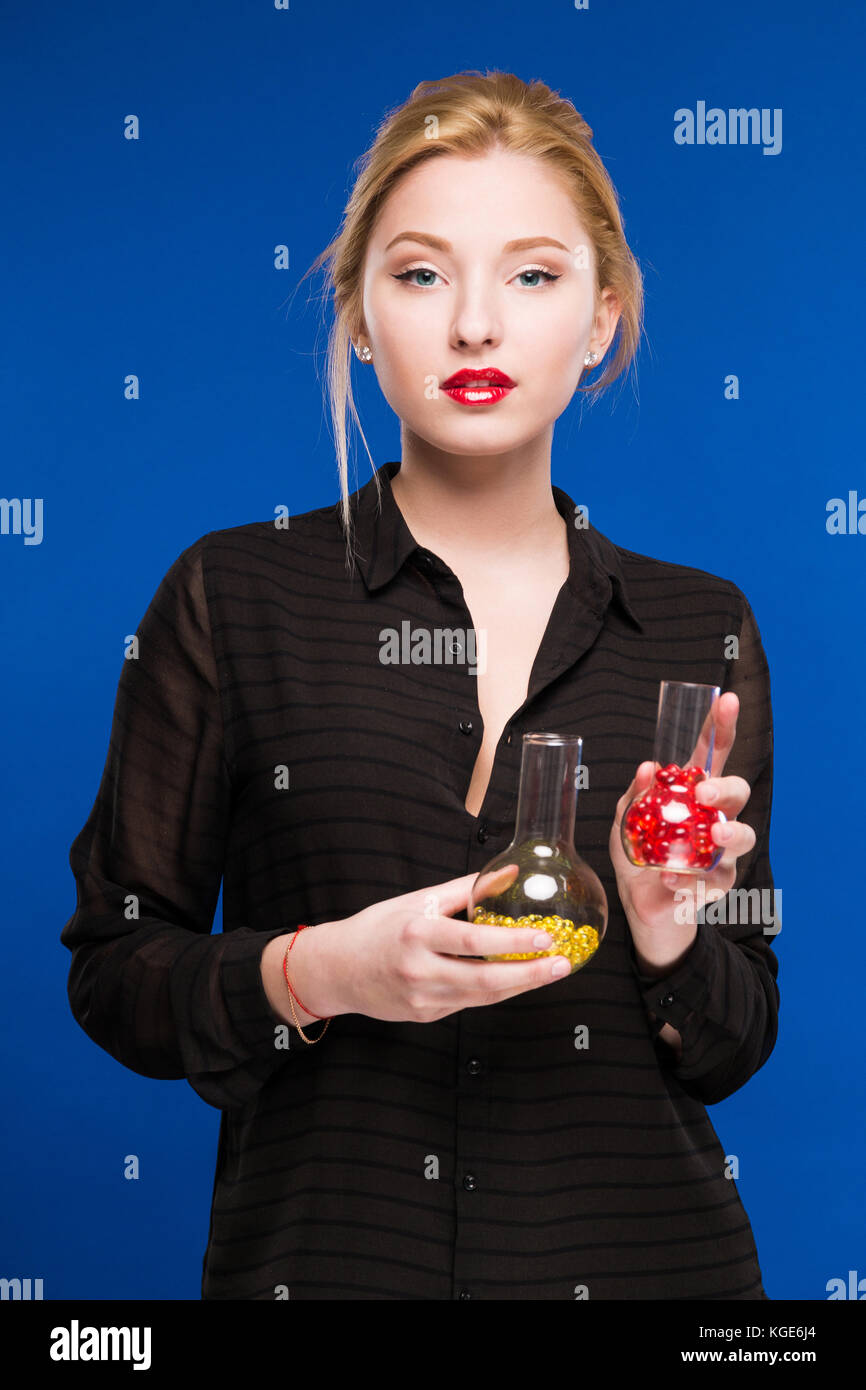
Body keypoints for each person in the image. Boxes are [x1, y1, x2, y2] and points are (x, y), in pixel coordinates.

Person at [61, 70, 778, 1300]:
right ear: (356, 313)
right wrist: (321, 972)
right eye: (420, 273)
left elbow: (735, 1036)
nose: (474, 327)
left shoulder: (697, 625)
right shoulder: (230, 596)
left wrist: (668, 932)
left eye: (533, 275)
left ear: (600, 316)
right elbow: (118, 974)